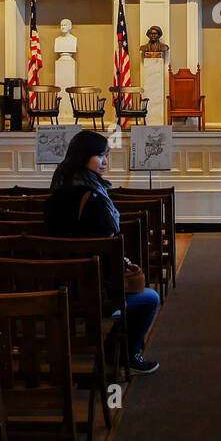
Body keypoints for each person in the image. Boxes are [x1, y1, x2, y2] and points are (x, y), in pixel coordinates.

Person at [43, 130, 161, 375]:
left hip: (55, 286)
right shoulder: (94, 198)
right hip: (90, 291)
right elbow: (103, 248)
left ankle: (113, 350)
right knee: (150, 298)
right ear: (83, 157)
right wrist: (125, 264)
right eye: (99, 155)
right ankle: (125, 355)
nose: (105, 161)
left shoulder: (56, 192)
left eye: (106, 155)